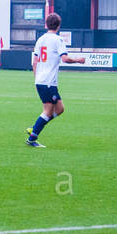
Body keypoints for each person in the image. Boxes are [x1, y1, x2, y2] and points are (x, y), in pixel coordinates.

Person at [27, 13, 85, 148]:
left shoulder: (40, 39)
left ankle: (36, 126)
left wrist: (36, 80)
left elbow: (34, 62)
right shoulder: (58, 40)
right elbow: (64, 58)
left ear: (46, 24)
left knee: (59, 109)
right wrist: (78, 60)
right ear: (58, 25)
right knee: (48, 111)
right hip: (48, 82)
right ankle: (32, 138)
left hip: (41, 80)